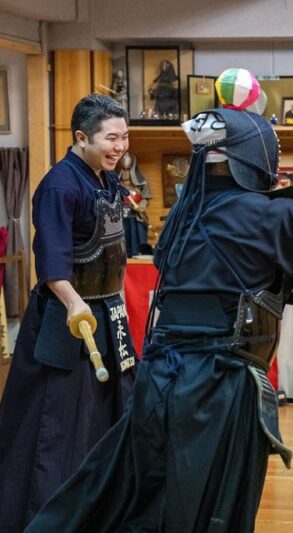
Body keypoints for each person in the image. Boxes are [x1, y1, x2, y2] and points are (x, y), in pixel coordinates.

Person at [26, 102, 293, 532]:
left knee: (144, 498)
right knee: (213, 504)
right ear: (254, 158)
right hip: (218, 384)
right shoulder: (265, 215)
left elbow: (236, 281)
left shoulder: (184, 217)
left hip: (159, 379)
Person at [0, 93, 137, 532]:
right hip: (68, 318)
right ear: (81, 137)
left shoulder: (104, 178)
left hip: (106, 314)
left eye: (125, 136)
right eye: (111, 138)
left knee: (113, 411)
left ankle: (104, 511)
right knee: (57, 425)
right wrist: (75, 302)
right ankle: (47, 517)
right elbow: (53, 260)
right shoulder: (61, 185)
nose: (120, 146)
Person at [118, 151, 152, 256]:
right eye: (124, 169)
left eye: (128, 169)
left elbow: (146, 197)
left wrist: (141, 206)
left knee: (136, 240)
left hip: (136, 215)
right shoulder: (116, 182)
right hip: (120, 216)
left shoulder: (142, 181)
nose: (126, 172)